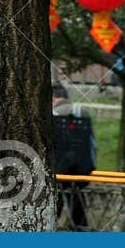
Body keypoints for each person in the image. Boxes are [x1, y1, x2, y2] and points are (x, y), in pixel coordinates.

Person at [51, 83, 95, 230]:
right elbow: (92, 144)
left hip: (59, 173)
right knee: (77, 203)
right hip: (83, 171)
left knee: (53, 208)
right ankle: (79, 229)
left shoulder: (51, 114)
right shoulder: (83, 112)